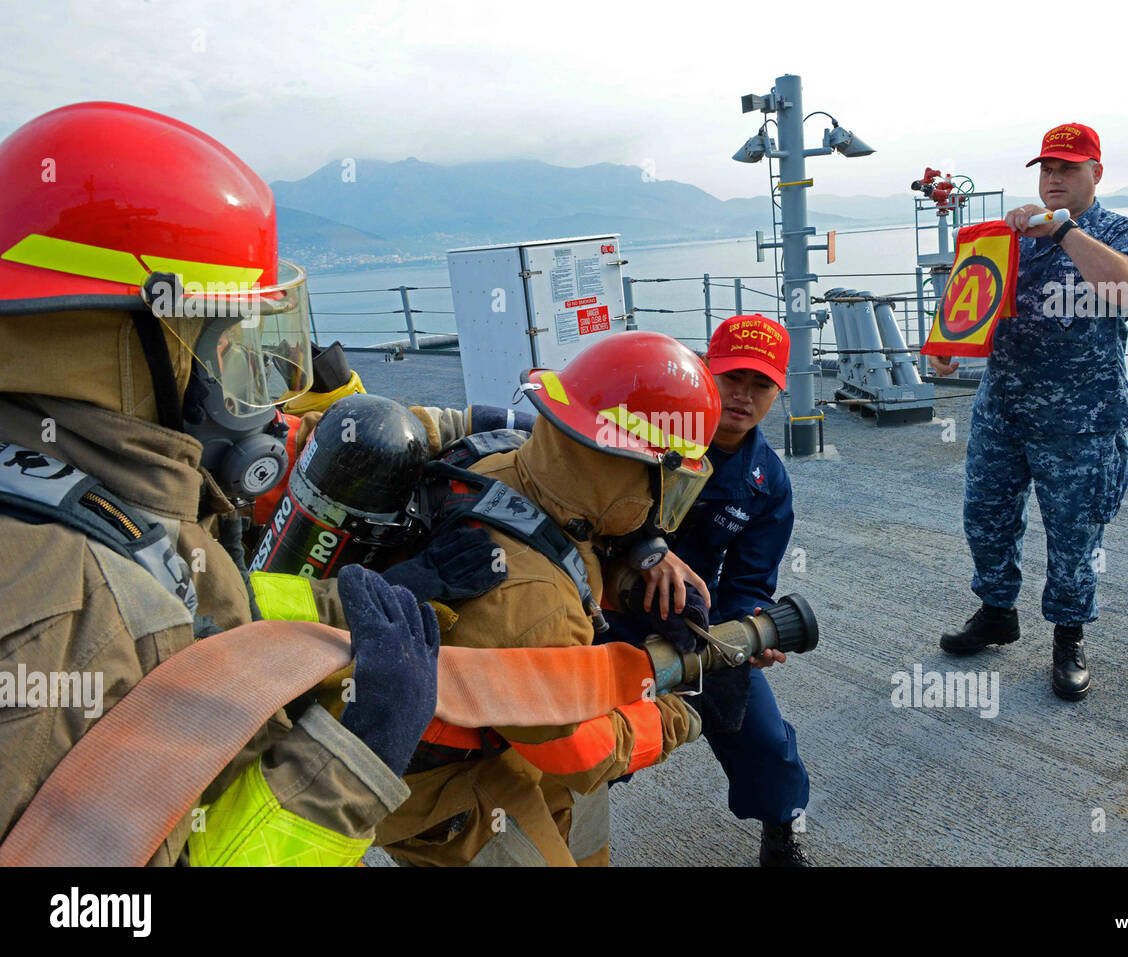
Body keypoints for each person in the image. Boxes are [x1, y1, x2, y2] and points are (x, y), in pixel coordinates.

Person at [0, 102, 439, 864]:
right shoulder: (73, 614)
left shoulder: (74, 499)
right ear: (126, 341)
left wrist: (331, 607)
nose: (254, 396)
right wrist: (348, 766)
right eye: (224, 342)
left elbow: (179, 602)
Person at [375, 331, 719, 866]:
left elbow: (567, 550)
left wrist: (634, 590)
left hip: (508, 725)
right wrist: (679, 716)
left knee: (582, 836)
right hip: (438, 783)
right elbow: (584, 752)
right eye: (664, 482)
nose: (661, 507)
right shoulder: (536, 604)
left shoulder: (508, 458)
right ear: (623, 471)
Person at [928, 122, 1128, 700]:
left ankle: (1068, 634)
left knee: (1074, 535)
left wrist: (1063, 233)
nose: (1054, 178)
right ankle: (996, 612)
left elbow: (1127, 289)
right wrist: (949, 344)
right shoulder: (1012, 236)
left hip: (1081, 421)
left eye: (1068, 168)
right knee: (985, 519)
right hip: (1003, 411)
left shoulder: (1118, 232)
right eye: (1047, 169)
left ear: (1095, 174)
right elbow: (972, 297)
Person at [627, 313, 811, 866]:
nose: (743, 397)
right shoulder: (650, 432)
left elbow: (751, 581)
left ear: (777, 391)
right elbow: (586, 509)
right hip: (611, 609)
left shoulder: (767, 481)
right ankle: (561, 825)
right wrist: (648, 550)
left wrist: (752, 630)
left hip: (697, 622)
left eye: (760, 385)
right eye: (732, 379)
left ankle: (781, 829)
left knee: (765, 741)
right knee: (590, 737)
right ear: (705, 370)